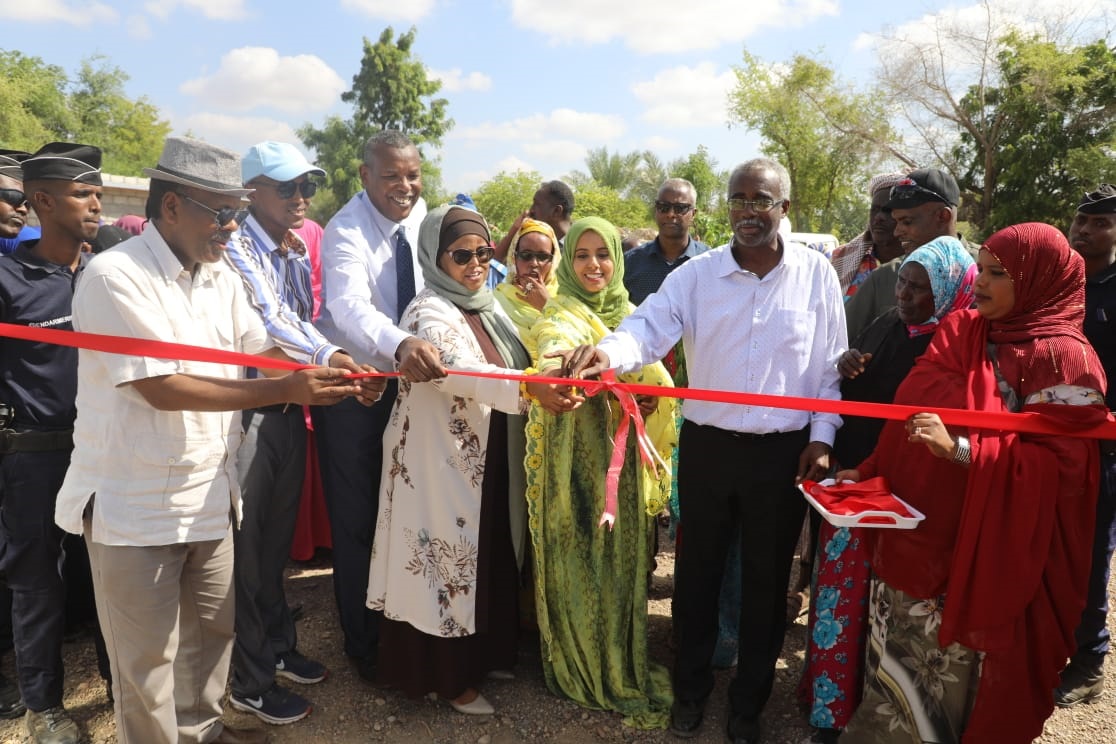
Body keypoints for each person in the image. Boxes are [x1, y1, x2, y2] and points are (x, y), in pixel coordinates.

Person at [53, 136, 373, 744]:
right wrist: (286, 392)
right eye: (222, 212)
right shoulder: (114, 275)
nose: (233, 226)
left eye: (237, 211)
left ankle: (201, 732)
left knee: (208, 648)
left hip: (209, 498)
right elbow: (161, 385)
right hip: (134, 507)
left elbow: (260, 347)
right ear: (171, 207)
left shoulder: (219, 272)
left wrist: (331, 372)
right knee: (147, 669)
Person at [561, 158, 846, 743]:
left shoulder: (817, 276)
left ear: (783, 208)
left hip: (781, 453)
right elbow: (647, 327)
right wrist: (605, 355)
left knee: (766, 587)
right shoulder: (697, 276)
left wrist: (822, 440)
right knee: (696, 578)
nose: (747, 210)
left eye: (760, 199)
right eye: (738, 199)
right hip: (708, 448)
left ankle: (748, 706)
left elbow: (829, 371)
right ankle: (690, 692)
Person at [836, 222, 1107, 743]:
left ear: (1037, 280)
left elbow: (1062, 477)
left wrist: (960, 451)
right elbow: (907, 420)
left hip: (986, 559)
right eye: (980, 268)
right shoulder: (963, 330)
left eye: (998, 273)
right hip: (917, 540)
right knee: (895, 686)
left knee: (961, 700)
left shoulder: (1063, 360)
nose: (980, 282)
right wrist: (869, 473)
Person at [367, 204, 566, 715]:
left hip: (490, 455)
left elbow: (522, 352)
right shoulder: (427, 310)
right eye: (461, 254)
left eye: (483, 252)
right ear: (437, 257)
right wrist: (534, 390)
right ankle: (450, 679)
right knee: (444, 567)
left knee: (491, 554)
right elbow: (454, 369)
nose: (476, 263)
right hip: (440, 465)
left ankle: (487, 654)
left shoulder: (487, 304)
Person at [797, 237, 975, 743]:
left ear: (947, 293)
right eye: (903, 282)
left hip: (909, 504)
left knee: (884, 615)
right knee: (840, 599)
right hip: (859, 486)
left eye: (921, 288)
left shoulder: (954, 351)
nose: (906, 294)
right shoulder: (888, 325)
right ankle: (831, 708)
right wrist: (848, 362)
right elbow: (852, 390)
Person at [224, 141, 375, 725]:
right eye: (286, 187)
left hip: (288, 406)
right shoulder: (235, 243)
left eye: (306, 186)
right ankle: (249, 681)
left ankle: (277, 647)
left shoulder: (289, 247)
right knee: (247, 548)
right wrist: (334, 356)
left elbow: (305, 320)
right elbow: (272, 321)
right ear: (251, 192)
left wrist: (340, 364)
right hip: (248, 409)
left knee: (272, 549)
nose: (301, 197)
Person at [526, 215, 676, 728]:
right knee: (582, 557)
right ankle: (586, 663)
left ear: (617, 260)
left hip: (625, 465)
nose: (594, 266)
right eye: (583, 255)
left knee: (624, 560)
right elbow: (552, 348)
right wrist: (558, 368)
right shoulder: (562, 313)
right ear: (568, 263)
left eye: (603, 255)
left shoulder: (632, 315)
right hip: (578, 466)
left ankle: (622, 652)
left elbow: (650, 368)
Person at [313, 130, 446, 682]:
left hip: (415, 388)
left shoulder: (425, 221)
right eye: (391, 175)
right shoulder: (346, 231)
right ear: (365, 175)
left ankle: (406, 629)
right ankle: (364, 645)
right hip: (359, 391)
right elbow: (347, 307)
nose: (405, 186)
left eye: (413, 175)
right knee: (359, 519)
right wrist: (402, 344)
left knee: (411, 511)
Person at [0, 142, 111, 744]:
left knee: (108, 575)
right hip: (37, 456)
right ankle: (44, 706)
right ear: (41, 201)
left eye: (97, 192)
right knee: (38, 584)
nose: (95, 204)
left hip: (105, 451)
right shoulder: (9, 278)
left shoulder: (109, 276)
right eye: (81, 194)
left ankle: (120, 684)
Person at [1057, 184, 1116, 707]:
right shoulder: (1063, 284)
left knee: (1093, 553)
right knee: (1055, 546)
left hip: (1104, 449)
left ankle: (1090, 660)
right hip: (1054, 441)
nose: (1085, 231)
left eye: (1100, 223)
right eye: (1081, 221)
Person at [843, 168, 974, 340]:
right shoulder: (886, 276)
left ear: (942, 216)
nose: (897, 232)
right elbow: (841, 341)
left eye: (907, 222)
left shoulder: (989, 271)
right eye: (897, 221)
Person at [623, 178, 710, 306]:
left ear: (693, 214)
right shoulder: (631, 262)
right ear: (656, 210)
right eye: (663, 207)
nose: (670, 214)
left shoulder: (709, 262)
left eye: (680, 208)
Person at [829, 173, 907, 299]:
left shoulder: (918, 265)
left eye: (888, 211)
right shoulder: (841, 258)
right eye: (875, 210)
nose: (878, 218)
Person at [493, 217, 561, 360]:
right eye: (526, 255)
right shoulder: (496, 301)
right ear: (514, 257)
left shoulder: (566, 298)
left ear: (553, 260)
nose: (534, 263)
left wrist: (548, 306)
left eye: (543, 257)